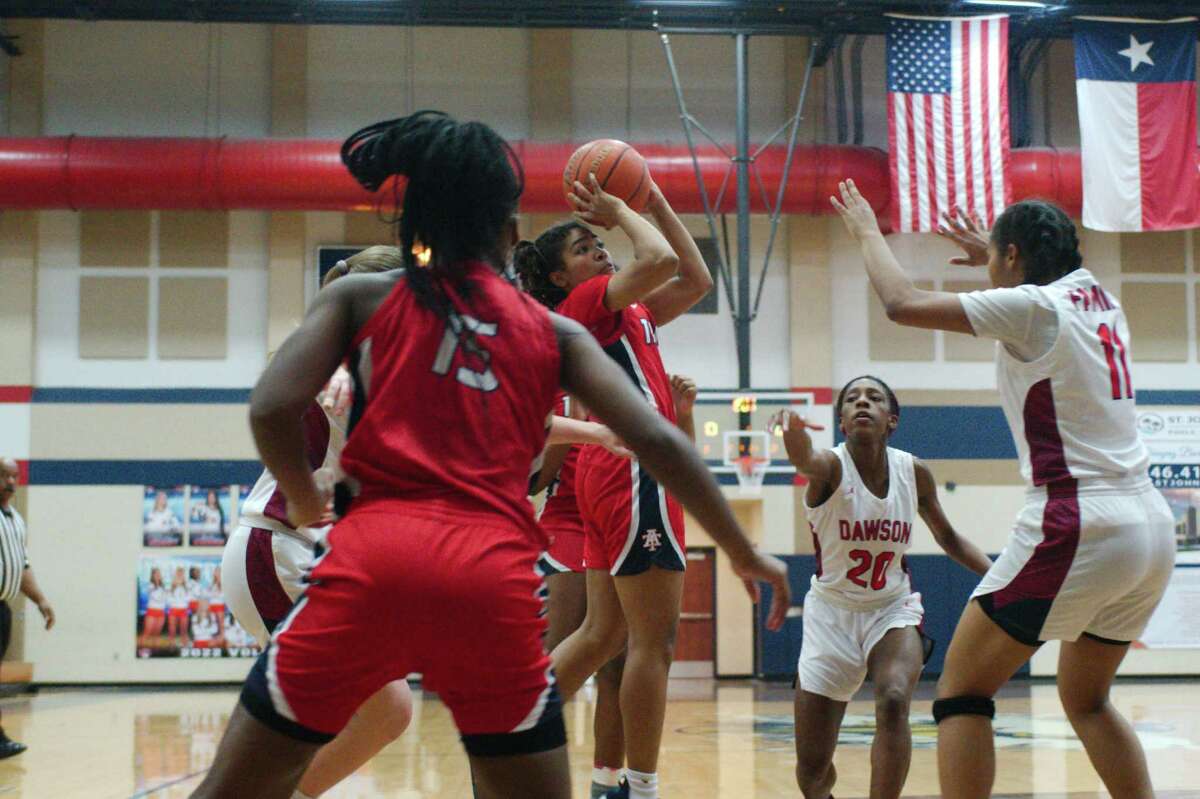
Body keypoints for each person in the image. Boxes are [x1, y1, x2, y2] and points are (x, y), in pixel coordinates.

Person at [190, 111, 788, 799]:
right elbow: (656, 437)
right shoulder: (553, 330)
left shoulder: (357, 294)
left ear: (412, 228)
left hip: (370, 565)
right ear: (508, 233)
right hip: (486, 581)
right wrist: (743, 547)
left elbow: (269, 405)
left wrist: (300, 494)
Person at [831, 181, 1175, 799]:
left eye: (996, 254)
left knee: (962, 692)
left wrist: (864, 229)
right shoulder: (1101, 301)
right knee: (1087, 699)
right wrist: (995, 262)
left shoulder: (1030, 307)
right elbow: (1036, 314)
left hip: (1078, 521)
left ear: (1014, 257)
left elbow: (901, 302)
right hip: (1149, 530)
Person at [515, 170, 715, 799]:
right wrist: (621, 209)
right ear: (558, 279)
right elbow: (655, 256)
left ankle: (510, 731)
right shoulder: (585, 308)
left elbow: (695, 276)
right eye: (584, 249)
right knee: (653, 644)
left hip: (614, 475)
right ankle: (644, 787)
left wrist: (651, 198)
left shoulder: (629, 311)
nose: (600, 250)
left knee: (603, 635)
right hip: (633, 470)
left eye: (597, 243)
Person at [222, 244, 414, 799]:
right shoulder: (341, 366)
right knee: (362, 709)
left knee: (383, 709)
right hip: (276, 551)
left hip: (300, 557)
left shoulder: (357, 363)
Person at [769, 377, 991, 799]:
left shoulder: (914, 472)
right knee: (812, 773)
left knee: (892, 698)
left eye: (873, 398)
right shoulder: (831, 467)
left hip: (891, 608)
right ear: (841, 421)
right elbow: (805, 461)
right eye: (852, 399)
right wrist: (792, 436)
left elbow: (949, 538)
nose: (862, 403)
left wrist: (1001, 576)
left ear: (892, 419)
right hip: (831, 615)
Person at [0, 457, 55, 758]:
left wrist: (41, 601)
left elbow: (22, 566)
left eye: (14, 476)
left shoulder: (16, 521)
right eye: (4, 476)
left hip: (3, 610)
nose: (10, 482)